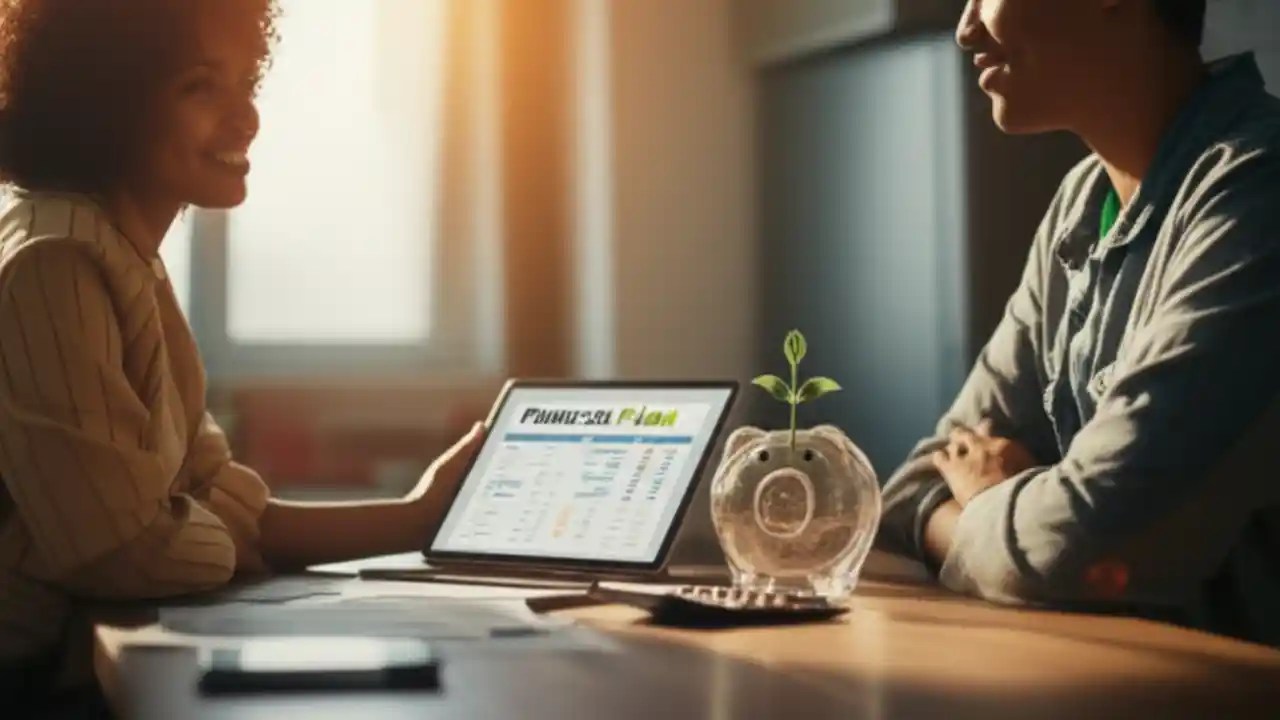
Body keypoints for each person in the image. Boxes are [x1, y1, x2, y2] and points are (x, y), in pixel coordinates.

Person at [0, 0, 486, 701]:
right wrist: (204, 529)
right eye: (200, 86)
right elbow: (118, 551)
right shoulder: (60, 261)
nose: (248, 117)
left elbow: (207, 498)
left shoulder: (120, 255)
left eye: (244, 84)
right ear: (108, 100)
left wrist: (418, 515)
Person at [876, 0, 1280, 646]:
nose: (965, 27)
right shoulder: (1082, 202)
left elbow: (1086, 541)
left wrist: (978, 506)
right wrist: (1022, 517)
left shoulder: (1258, 192)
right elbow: (911, 489)